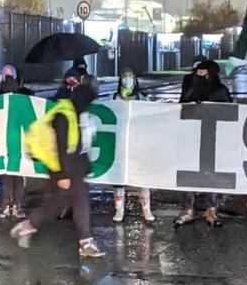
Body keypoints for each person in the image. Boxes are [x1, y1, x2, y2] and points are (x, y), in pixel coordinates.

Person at [10, 68, 105, 258]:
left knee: (55, 204)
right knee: (80, 202)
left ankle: (26, 226)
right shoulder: (64, 115)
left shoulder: (75, 112)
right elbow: (62, 146)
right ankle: (85, 243)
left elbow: (77, 144)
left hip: (71, 168)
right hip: (64, 169)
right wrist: (62, 175)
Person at [175, 60, 232, 227]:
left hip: (213, 138)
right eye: (196, 72)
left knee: (212, 172)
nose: (197, 75)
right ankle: (188, 209)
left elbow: (229, 113)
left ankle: (212, 209)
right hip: (190, 137)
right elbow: (182, 106)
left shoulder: (220, 90)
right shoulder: (189, 86)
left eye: (202, 73)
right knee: (187, 170)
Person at [111, 67, 155, 224]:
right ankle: (119, 210)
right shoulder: (114, 98)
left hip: (138, 143)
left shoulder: (143, 98)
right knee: (119, 178)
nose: (127, 79)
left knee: (141, 177)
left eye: (130, 76)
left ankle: (146, 210)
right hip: (120, 143)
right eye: (124, 76)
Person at [0, 64, 31, 219]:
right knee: (11, 174)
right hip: (10, 139)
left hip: (12, 139)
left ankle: (11, 205)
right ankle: (10, 205)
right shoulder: (24, 94)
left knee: (11, 174)